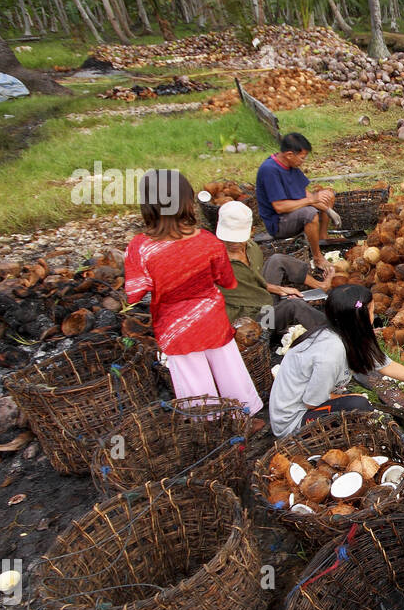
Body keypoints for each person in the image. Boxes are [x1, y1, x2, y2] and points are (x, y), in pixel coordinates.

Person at [123, 169, 264, 428]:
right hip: (212, 320)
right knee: (229, 368)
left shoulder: (140, 247)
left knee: (193, 380)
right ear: (188, 203)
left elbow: (135, 291)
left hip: (173, 327)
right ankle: (244, 419)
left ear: (148, 206)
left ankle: (209, 427)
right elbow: (226, 280)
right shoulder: (207, 241)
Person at [268, 283, 404, 437]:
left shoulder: (348, 333)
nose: (374, 315)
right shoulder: (330, 353)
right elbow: (312, 402)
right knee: (359, 406)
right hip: (293, 422)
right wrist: (348, 399)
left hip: (308, 404)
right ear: (361, 318)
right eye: (372, 311)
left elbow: (387, 366)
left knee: (358, 405)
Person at [214, 200, 329, 340]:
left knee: (277, 259)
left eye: (238, 239)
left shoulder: (252, 248)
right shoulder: (214, 261)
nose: (233, 244)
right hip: (254, 322)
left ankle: (321, 287)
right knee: (293, 305)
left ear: (251, 232)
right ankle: (335, 331)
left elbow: (255, 281)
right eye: (229, 239)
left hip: (264, 298)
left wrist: (278, 289)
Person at [255, 132, 339, 272]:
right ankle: (317, 257)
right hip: (278, 223)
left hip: (292, 211)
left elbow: (305, 194)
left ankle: (322, 238)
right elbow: (280, 207)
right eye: (302, 157)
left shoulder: (290, 166)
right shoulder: (269, 170)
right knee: (310, 213)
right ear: (289, 154)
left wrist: (328, 209)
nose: (303, 161)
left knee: (327, 196)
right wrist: (311, 200)